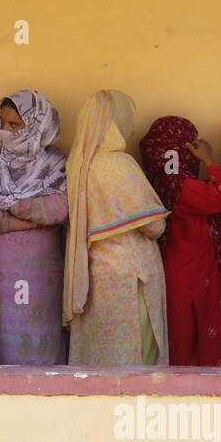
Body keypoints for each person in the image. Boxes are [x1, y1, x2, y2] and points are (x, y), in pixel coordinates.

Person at [63, 90, 169, 366]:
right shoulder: (119, 164)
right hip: (130, 276)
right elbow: (155, 226)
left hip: (95, 272)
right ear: (114, 122)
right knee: (136, 356)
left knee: (99, 355)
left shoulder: (77, 162)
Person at [0, 90, 68, 365]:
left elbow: (62, 208)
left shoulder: (56, 163)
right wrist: (22, 221)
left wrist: (14, 205)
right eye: (3, 123)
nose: (6, 131)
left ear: (38, 124)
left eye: (14, 125)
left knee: (37, 336)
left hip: (40, 270)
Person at [139, 116, 221, 367]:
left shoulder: (158, 181)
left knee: (182, 336)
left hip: (181, 270)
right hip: (193, 272)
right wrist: (209, 161)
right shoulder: (179, 184)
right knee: (197, 339)